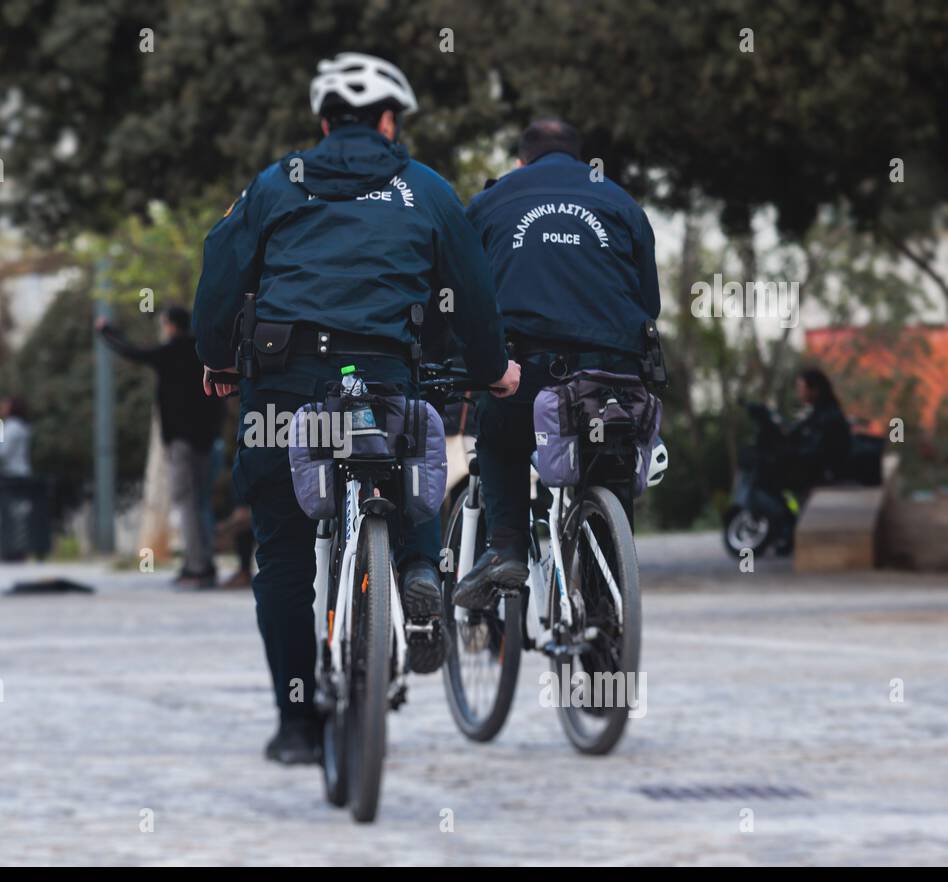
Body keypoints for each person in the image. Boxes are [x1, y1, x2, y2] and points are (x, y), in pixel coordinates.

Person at [193, 52, 519, 764]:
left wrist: (217, 358)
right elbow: (473, 291)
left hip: (282, 390)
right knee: (406, 454)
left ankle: (298, 726)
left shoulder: (277, 184)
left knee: (280, 551)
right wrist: (494, 371)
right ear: (388, 120)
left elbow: (220, 270)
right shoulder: (426, 189)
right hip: (382, 375)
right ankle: (419, 564)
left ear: (321, 122)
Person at [453, 118, 661, 609]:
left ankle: (505, 548)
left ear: (521, 161)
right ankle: (610, 609)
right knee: (608, 465)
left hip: (526, 371)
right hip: (612, 379)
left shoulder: (490, 202)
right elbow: (648, 302)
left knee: (500, 437)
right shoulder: (621, 202)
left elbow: (462, 296)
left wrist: (467, 362)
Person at [97, 305, 225, 589]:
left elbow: (133, 352)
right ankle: (205, 561)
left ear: (169, 326)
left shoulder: (170, 352)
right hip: (207, 439)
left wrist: (107, 332)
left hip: (181, 441)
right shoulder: (201, 352)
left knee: (186, 502)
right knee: (201, 502)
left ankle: (197, 565)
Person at [0, 396, 36, 561]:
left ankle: (10, 552)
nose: (1, 408)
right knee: (12, 514)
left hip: (12, 475)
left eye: (4, 405)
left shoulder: (13, 427)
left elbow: (0, 452)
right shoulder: (11, 425)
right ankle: (11, 551)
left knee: (8, 515)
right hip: (15, 474)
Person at [786, 368, 851, 491]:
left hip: (825, 479)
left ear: (815, 390)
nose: (799, 392)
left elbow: (817, 451)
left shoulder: (827, 417)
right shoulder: (817, 413)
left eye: (801, 388)